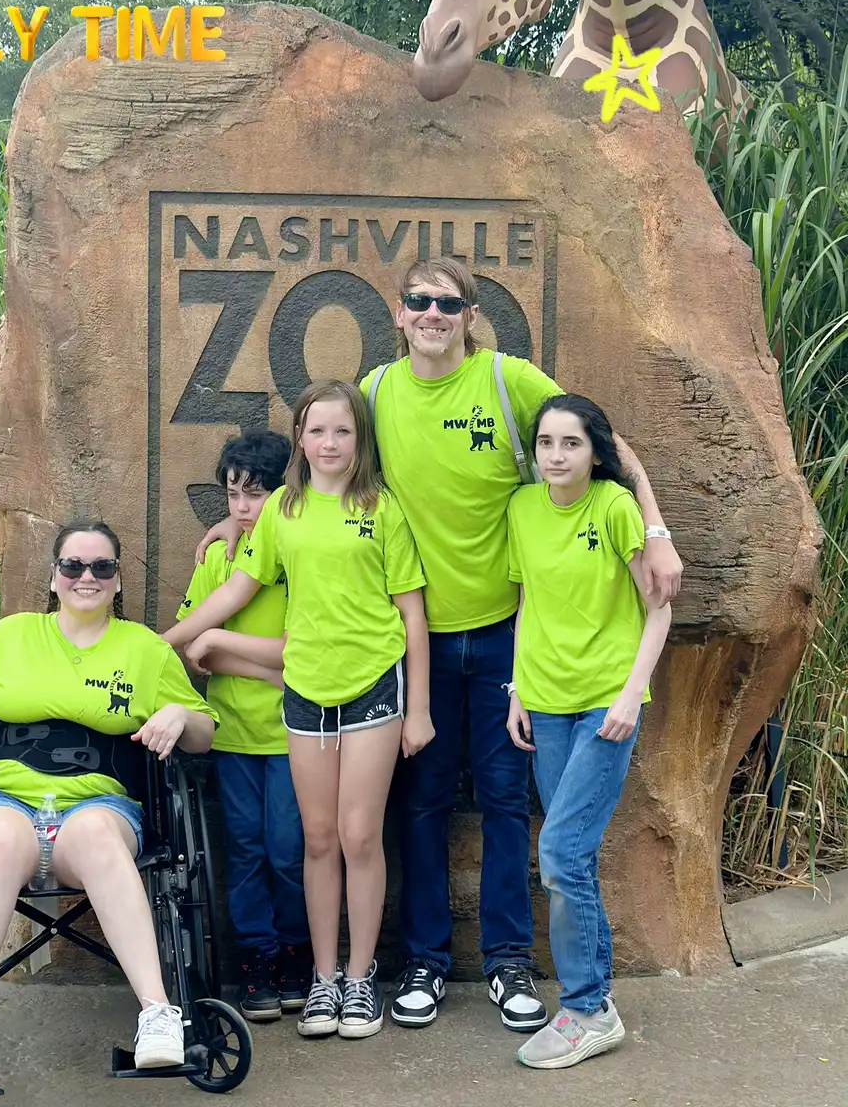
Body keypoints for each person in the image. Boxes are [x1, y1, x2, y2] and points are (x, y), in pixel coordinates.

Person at [198, 256, 682, 1034]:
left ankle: (507, 962)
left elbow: (606, 443)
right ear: (397, 313)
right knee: (418, 807)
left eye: (447, 303)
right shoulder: (381, 393)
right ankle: (420, 961)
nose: (432, 313)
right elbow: (319, 478)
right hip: (410, 643)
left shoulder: (508, 380)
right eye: (419, 301)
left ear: (470, 314)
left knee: (501, 804)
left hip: (500, 636)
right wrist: (241, 518)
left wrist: (654, 528)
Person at [0, 520, 218, 1091]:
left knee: (94, 833)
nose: (86, 577)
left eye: (102, 567)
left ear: (118, 581)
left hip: (97, 807)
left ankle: (158, 1015)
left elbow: (204, 734)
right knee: (1, 839)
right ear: (54, 576)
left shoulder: (145, 650)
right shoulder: (9, 636)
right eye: (73, 566)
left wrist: (180, 714)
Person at [172, 380, 434, 1041]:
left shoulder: (382, 508)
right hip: (305, 693)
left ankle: (359, 975)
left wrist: (419, 709)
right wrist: (161, 644)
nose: (329, 443)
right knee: (316, 839)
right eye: (317, 431)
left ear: (359, 438)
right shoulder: (284, 511)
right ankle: (322, 979)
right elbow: (237, 586)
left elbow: (412, 614)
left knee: (359, 836)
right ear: (301, 439)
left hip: (373, 687)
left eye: (342, 431)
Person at [506, 396, 671, 1068]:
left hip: (606, 704)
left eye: (570, 443)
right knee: (570, 857)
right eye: (546, 442)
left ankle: (584, 1008)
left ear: (595, 452)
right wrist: (515, 688)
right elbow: (525, 603)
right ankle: (593, 1003)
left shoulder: (614, 508)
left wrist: (632, 696)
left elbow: (657, 612)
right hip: (543, 702)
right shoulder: (521, 510)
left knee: (560, 852)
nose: (556, 455)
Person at [163, 429, 312, 1024]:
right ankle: (257, 958)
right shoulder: (220, 557)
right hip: (231, 735)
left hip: (292, 735)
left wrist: (230, 647)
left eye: (254, 495)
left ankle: (297, 955)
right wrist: (264, 665)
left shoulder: (300, 553)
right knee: (245, 851)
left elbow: (305, 650)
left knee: (289, 850)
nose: (243, 509)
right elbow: (196, 648)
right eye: (233, 496)